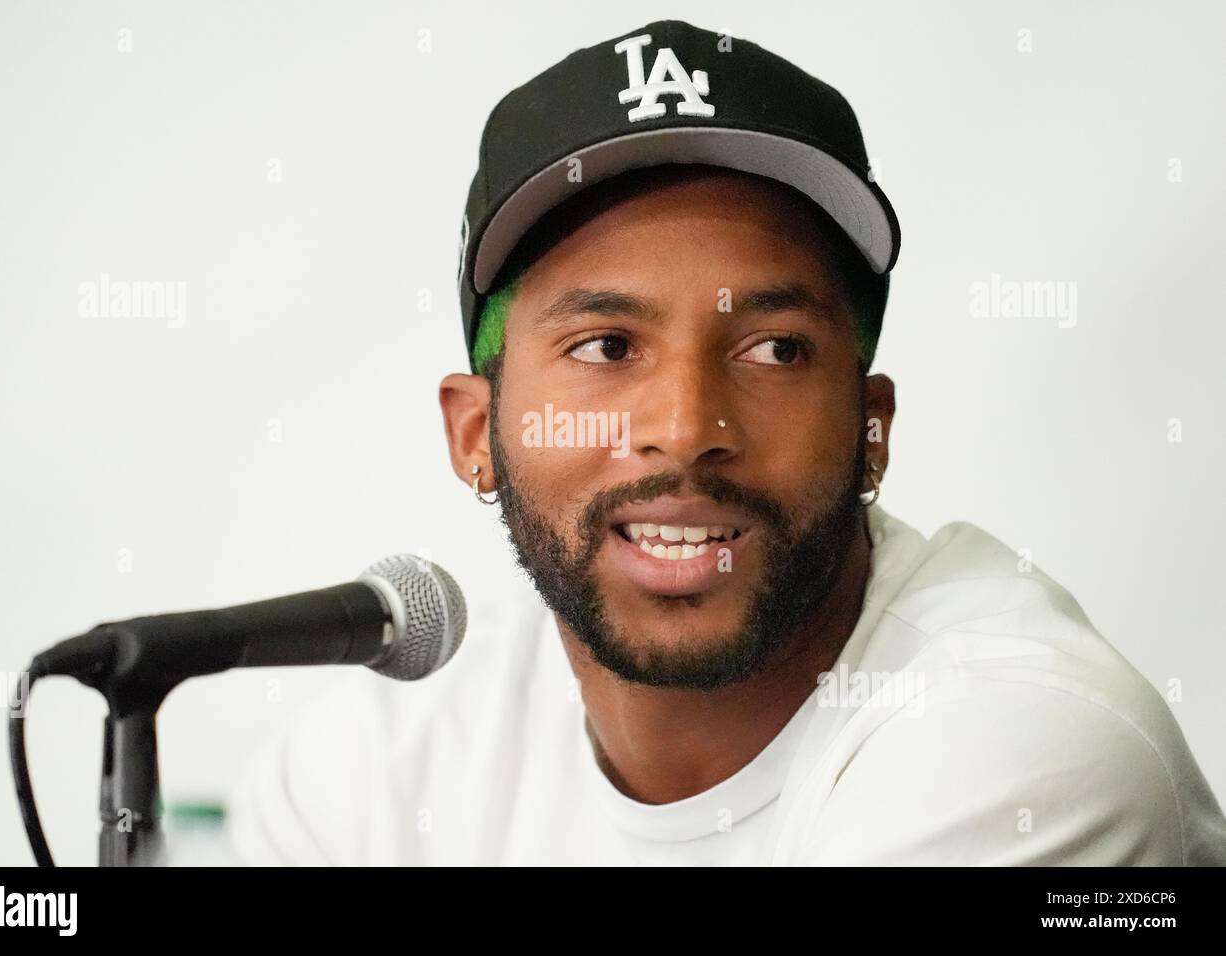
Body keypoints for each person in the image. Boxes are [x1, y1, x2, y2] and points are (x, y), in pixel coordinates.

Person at [225, 19, 1226, 865]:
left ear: (869, 427)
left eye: (775, 348)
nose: (684, 431)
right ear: (478, 433)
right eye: (606, 344)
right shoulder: (372, 769)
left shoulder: (1026, 748)